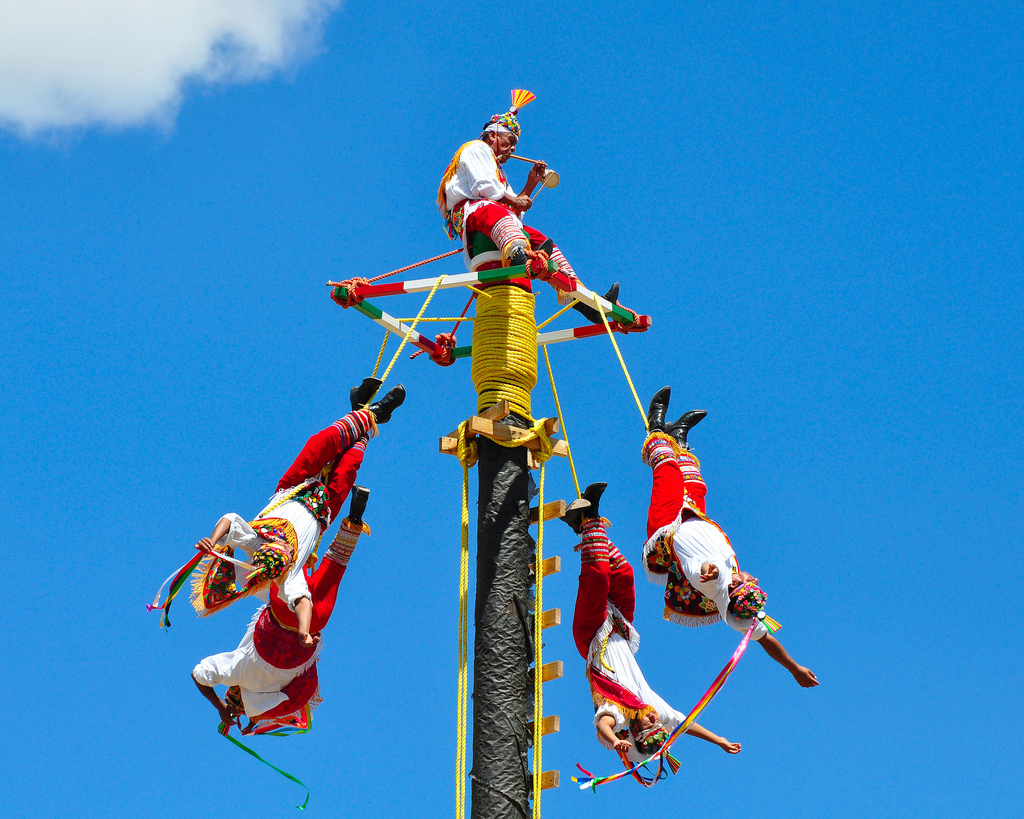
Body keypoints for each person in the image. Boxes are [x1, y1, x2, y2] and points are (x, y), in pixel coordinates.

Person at [189, 378, 404, 645]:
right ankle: (367, 413)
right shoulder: (286, 575)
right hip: (323, 511)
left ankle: (368, 412)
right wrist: (304, 631)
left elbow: (230, 520)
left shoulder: (255, 545)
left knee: (321, 443)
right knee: (349, 463)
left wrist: (212, 539)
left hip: (293, 488)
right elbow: (302, 600)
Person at [640, 386, 819, 688]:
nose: (746, 579)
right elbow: (766, 640)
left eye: (740, 584)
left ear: (731, 592)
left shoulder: (712, 581)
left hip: (668, 526)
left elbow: (704, 573)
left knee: (667, 471)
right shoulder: (740, 602)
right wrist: (794, 668)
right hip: (697, 517)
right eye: (748, 583)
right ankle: (680, 438)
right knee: (695, 484)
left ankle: (655, 425)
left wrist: (710, 572)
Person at [563, 482, 741, 768]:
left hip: (592, 633)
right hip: (619, 626)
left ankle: (585, 523)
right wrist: (718, 740)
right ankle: (588, 519)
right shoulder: (652, 706)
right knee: (623, 573)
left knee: (597, 576)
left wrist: (615, 739)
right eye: (658, 723)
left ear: (634, 732)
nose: (655, 718)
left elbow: (602, 726)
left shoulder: (619, 711)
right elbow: (683, 724)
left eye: (650, 724)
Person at [192, 486, 371, 732]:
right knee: (285, 565)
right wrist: (219, 706)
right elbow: (199, 674)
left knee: (336, 564)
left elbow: (303, 690)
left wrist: (254, 721)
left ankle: (353, 521)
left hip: (316, 622)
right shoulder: (236, 670)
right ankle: (311, 518)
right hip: (282, 611)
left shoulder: (268, 703)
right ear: (233, 689)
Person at [437, 90, 620, 322]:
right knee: (495, 212)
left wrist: (530, 184)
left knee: (536, 236)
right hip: (474, 214)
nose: (512, 149)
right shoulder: (476, 148)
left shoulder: (498, 171)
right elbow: (485, 189)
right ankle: (517, 256)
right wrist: (514, 200)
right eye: (510, 141)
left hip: (490, 217)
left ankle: (584, 301)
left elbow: (512, 210)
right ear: (493, 134)